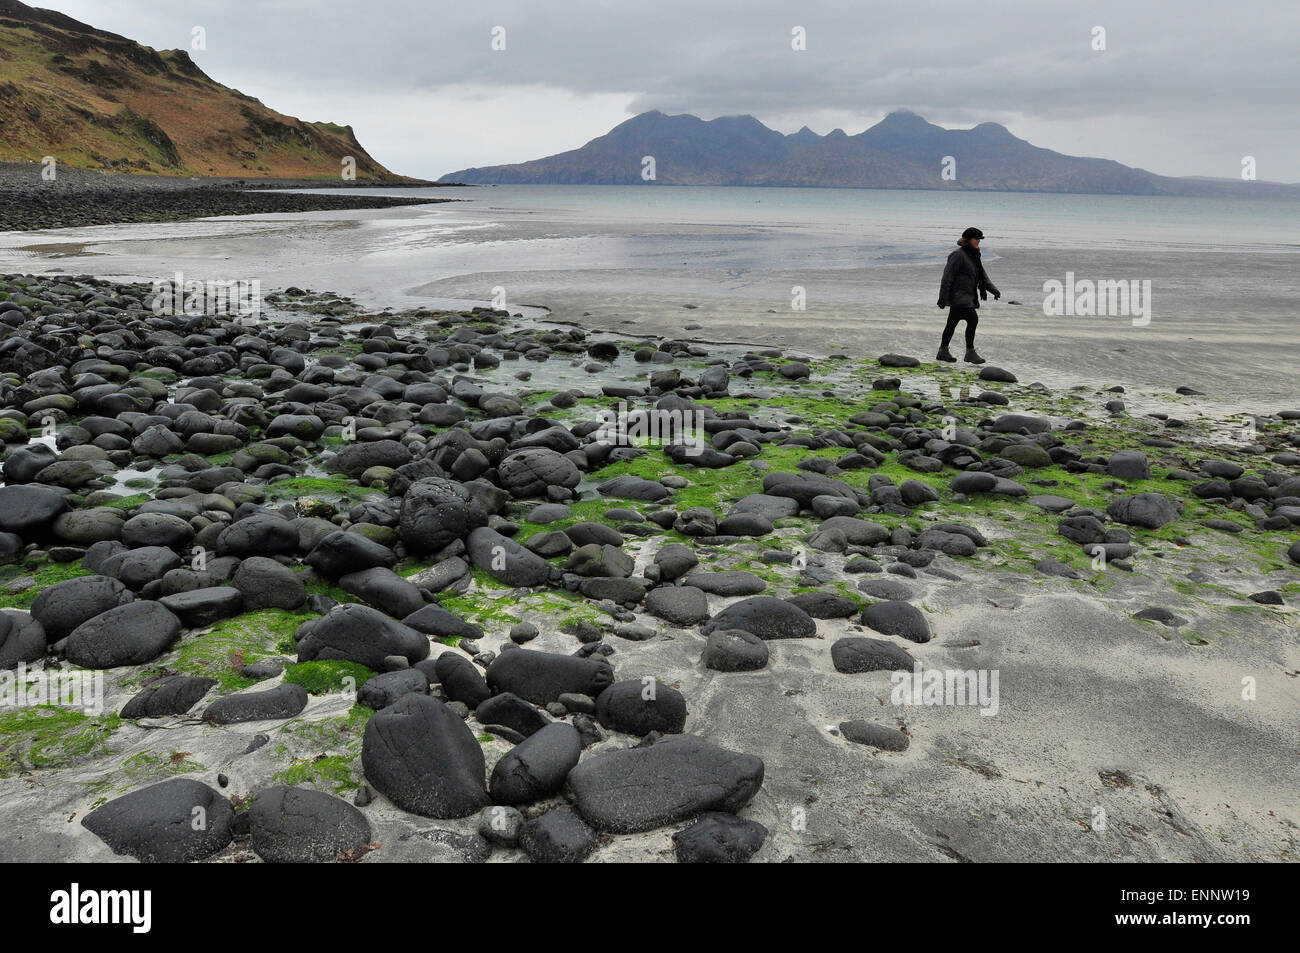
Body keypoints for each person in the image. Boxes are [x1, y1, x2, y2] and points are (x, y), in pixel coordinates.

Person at [936, 226, 1000, 364]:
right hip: (959, 298)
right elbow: (947, 277)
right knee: (972, 320)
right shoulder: (958, 255)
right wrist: (942, 298)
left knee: (952, 323)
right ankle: (969, 352)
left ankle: (943, 350)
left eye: (979, 239)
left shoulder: (974, 255)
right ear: (969, 240)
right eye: (976, 239)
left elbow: (982, 275)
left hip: (968, 297)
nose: (978, 241)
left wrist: (993, 290)